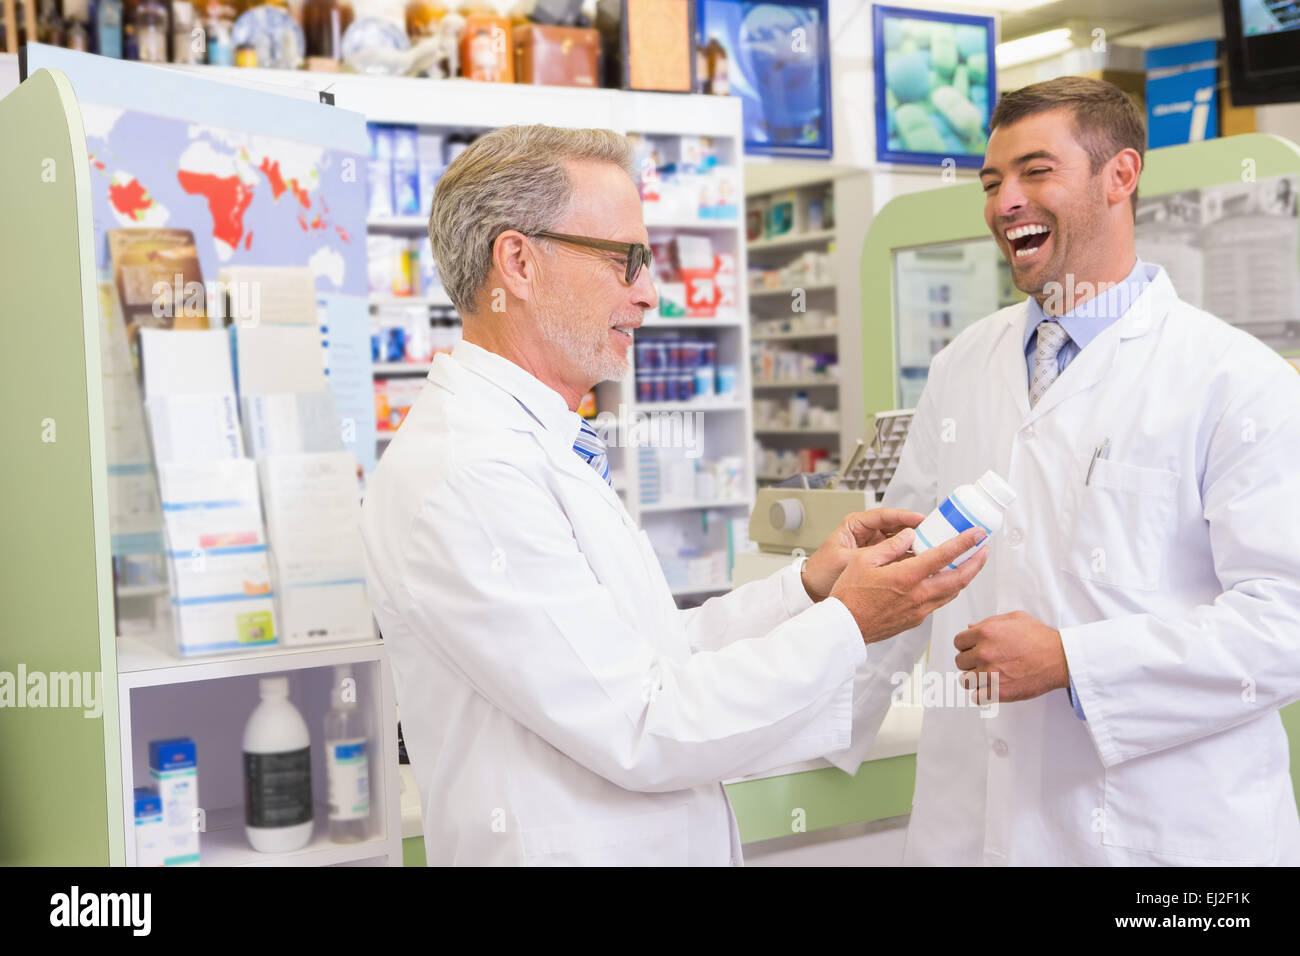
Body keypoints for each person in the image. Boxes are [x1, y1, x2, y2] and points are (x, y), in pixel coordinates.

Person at [359, 125, 988, 866]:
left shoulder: (534, 444)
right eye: (627, 260)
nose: (650, 294)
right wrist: (853, 624)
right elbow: (646, 724)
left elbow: (653, 659)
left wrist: (810, 591)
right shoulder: (467, 475)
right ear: (518, 261)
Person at [828, 76, 1300, 865]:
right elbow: (907, 581)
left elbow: (1286, 621)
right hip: (976, 823)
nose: (1003, 201)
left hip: (1162, 843)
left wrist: (1076, 662)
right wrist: (788, 721)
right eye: (990, 182)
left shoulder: (1234, 380)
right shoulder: (960, 367)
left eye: (1036, 172)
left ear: (1121, 175)